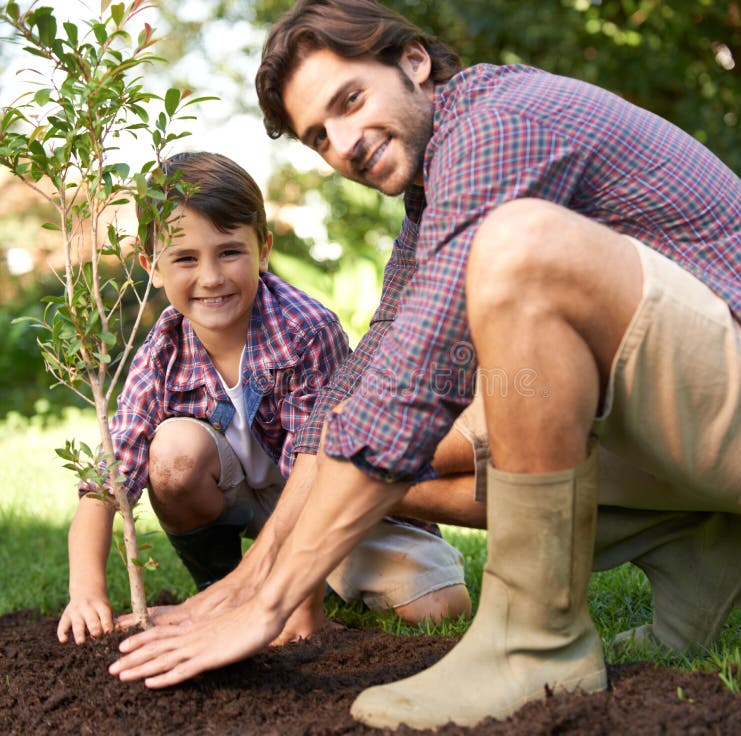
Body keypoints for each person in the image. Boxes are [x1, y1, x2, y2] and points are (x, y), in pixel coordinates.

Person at [109, 1, 741, 729]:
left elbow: (415, 380)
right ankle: (696, 555)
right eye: (320, 136)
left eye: (350, 101)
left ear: (412, 62)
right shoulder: (432, 184)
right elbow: (369, 376)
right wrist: (245, 585)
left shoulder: (497, 128)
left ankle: (535, 643)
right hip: (697, 409)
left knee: (516, 248)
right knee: (410, 427)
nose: (344, 144)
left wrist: (277, 601)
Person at [57, 150, 472, 649]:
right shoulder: (161, 350)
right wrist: (86, 592)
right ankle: (221, 590)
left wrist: (295, 611)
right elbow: (106, 482)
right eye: (185, 258)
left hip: (339, 498)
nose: (211, 277)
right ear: (153, 267)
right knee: (172, 454)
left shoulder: (303, 331)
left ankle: (312, 578)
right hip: (254, 504)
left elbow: (317, 474)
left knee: (439, 607)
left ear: (264, 248)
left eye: (229, 251)